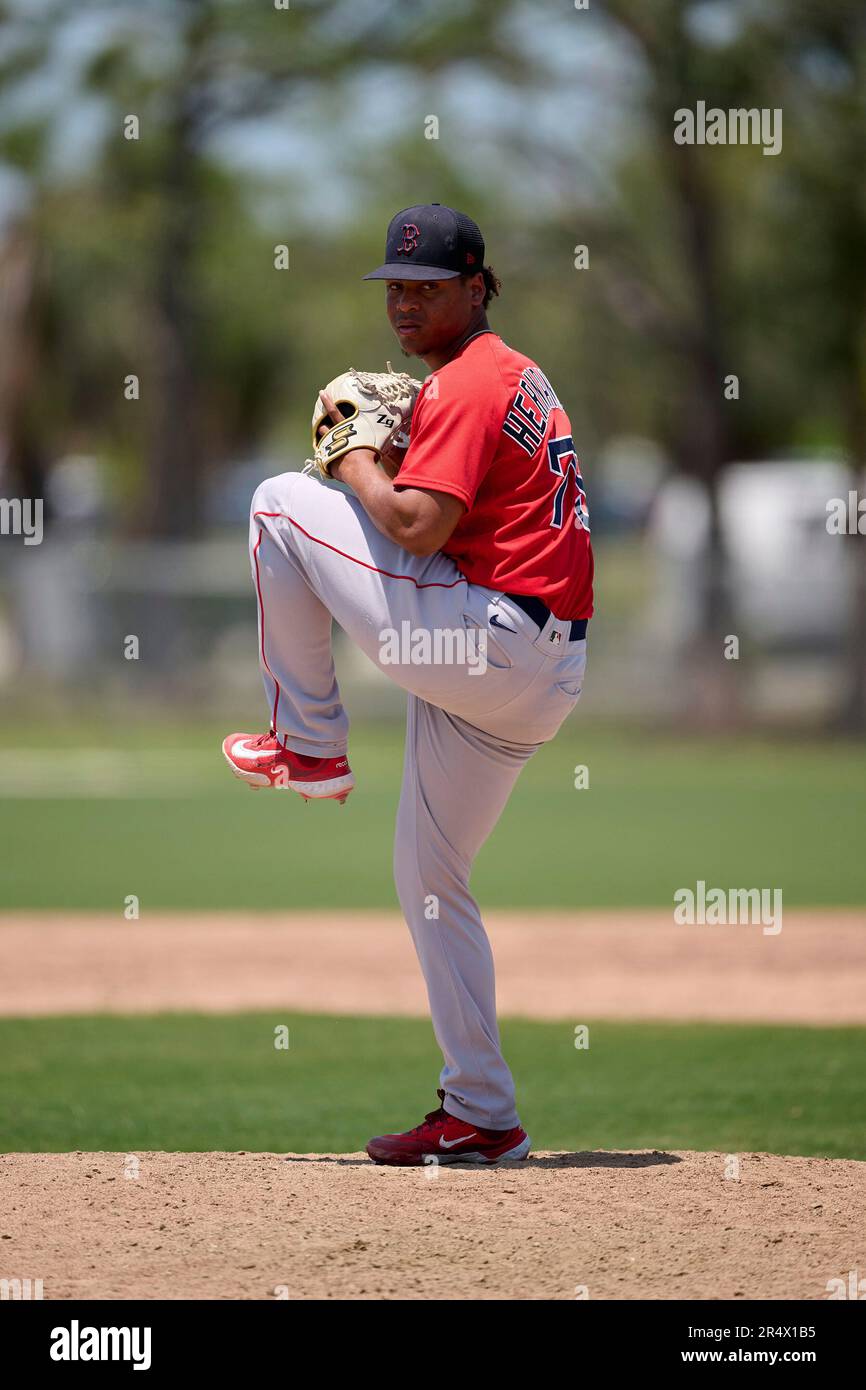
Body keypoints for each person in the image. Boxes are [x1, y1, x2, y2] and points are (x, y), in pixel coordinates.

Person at [223, 203, 593, 1165]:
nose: (405, 303)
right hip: (540, 669)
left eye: (427, 287)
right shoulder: (513, 378)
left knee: (276, 503)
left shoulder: (471, 381)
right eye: (396, 286)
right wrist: (385, 457)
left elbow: (418, 526)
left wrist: (354, 461)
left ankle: (310, 742)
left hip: (491, 641)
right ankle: (482, 1111)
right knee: (431, 881)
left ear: (477, 289)